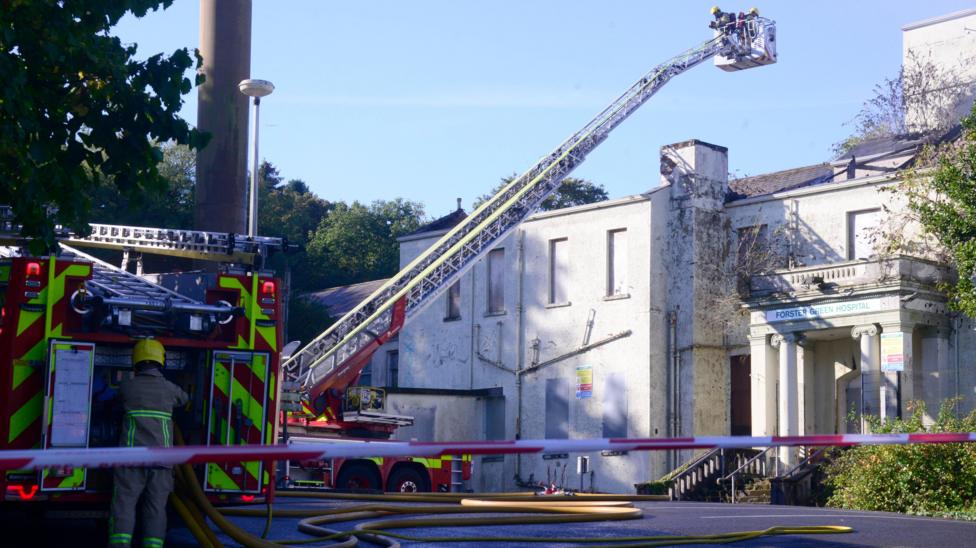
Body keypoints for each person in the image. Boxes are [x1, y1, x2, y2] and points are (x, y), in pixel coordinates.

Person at [108, 339, 189, 548]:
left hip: (130, 460)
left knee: (124, 505)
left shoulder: (127, 387)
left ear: (135, 361)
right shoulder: (170, 389)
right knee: (156, 508)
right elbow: (185, 398)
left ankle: (120, 545)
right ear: (161, 361)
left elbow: (112, 402)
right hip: (161, 462)